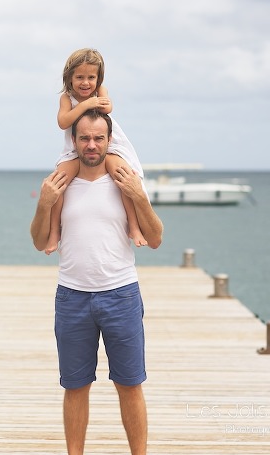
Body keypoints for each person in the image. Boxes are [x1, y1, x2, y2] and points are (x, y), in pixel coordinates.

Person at [30, 111, 163, 455]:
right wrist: (43, 205)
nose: (91, 145)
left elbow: (156, 238)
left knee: (130, 384)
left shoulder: (125, 179)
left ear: (109, 140)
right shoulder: (60, 183)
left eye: (98, 138)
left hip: (121, 295)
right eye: (84, 138)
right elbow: (39, 240)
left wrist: (140, 196)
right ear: (73, 141)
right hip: (72, 297)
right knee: (75, 386)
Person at [44, 48, 147, 255]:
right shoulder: (67, 98)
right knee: (59, 182)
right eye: (79, 77)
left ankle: (134, 227)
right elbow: (63, 122)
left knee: (123, 177)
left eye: (91, 77)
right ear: (69, 78)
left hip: (108, 146)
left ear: (98, 78)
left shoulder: (101, 90)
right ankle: (55, 232)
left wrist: (97, 100)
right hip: (75, 149)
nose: (85, 83)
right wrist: (87, 105)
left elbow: (108, 109)